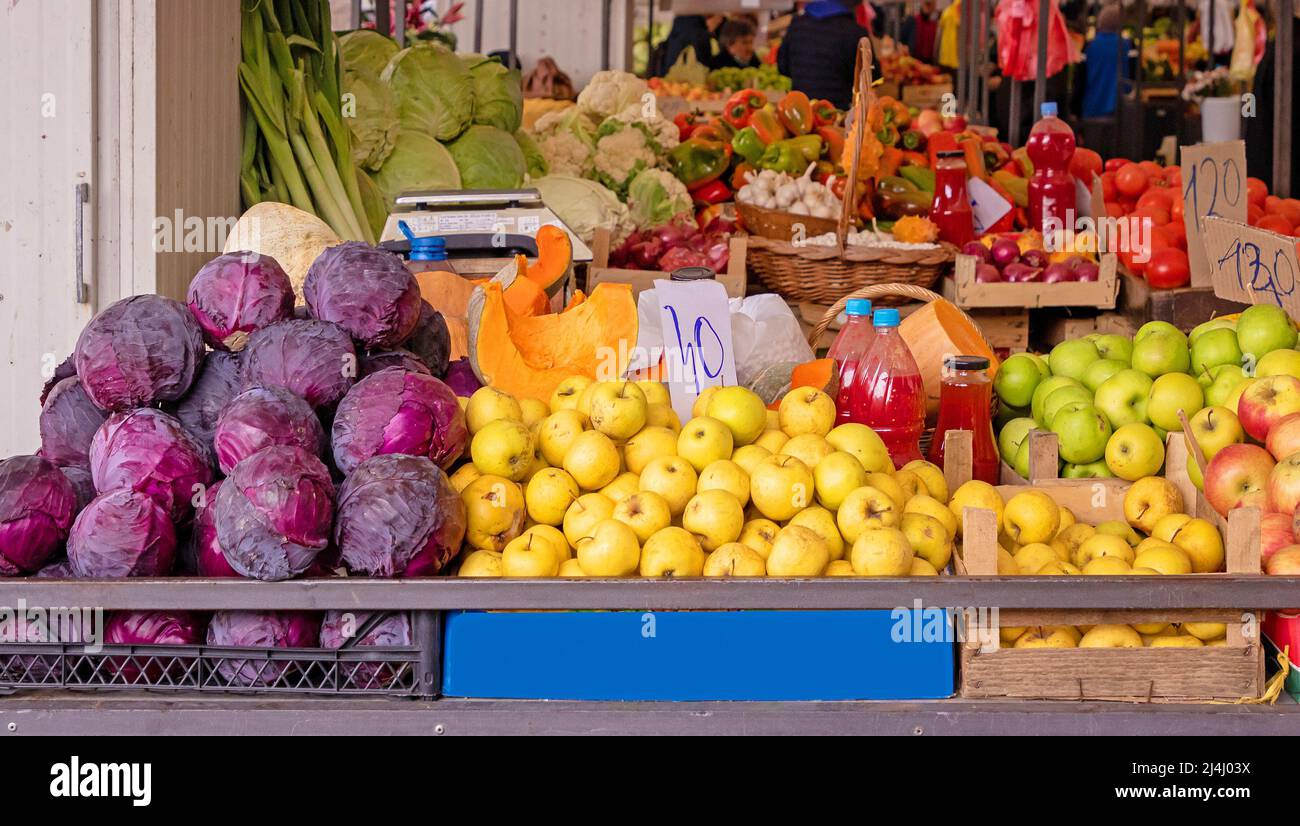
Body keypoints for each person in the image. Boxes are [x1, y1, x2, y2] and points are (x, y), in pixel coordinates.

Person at [777, 0, 875, 110]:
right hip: (836, 114)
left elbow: (783, 67)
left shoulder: (797, 25)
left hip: (799, 111)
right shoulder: (855, 32)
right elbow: (871, 77)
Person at [1245, 0, 1300, 194]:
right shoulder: (1281, 50)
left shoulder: (1283, 50)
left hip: (1270, 173)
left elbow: (1253, 105)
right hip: (1272, 171)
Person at [1077, 4, 1132, 119]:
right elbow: (1135, 75)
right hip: (1119, 109)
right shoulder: (1127, 45)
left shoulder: (1089, 46)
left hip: (1091, 109)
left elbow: (1079, 80)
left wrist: (1074, 109)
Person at [656, 14, 724, 76]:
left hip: (670, 77)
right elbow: (704, 64)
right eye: (719, 20)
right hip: (691, 82)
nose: (720, 21)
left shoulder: (678, 25)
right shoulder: (700, 33)